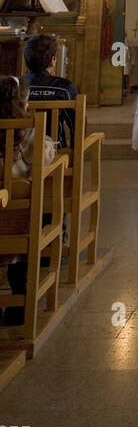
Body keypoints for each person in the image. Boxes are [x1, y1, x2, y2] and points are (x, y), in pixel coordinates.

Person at [0, 75, 57, 325]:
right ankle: (20, 296)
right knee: (28, 204)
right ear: (23, 102)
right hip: (16, 223)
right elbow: (44, 158)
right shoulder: (29, 131)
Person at [23, 34, 78, 150]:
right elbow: (77, 125)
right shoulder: (64, 88)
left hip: (16, 157)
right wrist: (73, 152)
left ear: (26, 60)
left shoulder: (13, 86)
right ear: (52, 61)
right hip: (53, 154)